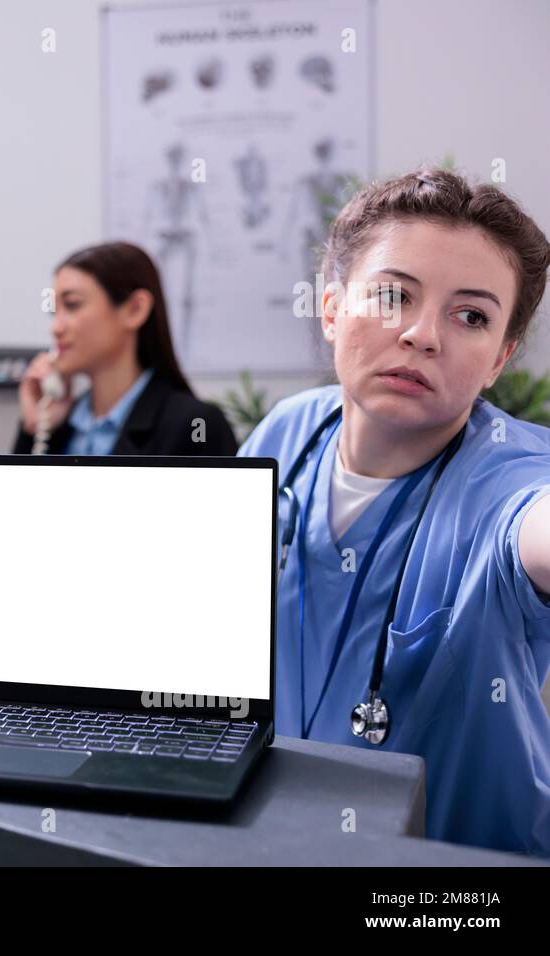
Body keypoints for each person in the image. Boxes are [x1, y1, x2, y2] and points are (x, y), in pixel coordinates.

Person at [239, 168, 550, 856]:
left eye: (471, 316)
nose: (421, 334)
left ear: (499, 357)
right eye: (391, 296)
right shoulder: (286, 434)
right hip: (271, 844)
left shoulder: (511, 478)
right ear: (329, 309)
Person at [14, 241, 237, 456]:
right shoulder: (58, 423)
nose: (56, 328)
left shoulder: (197, 425)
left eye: (72, 305)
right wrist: (34, 429)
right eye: (54, 311)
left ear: (134, 310)